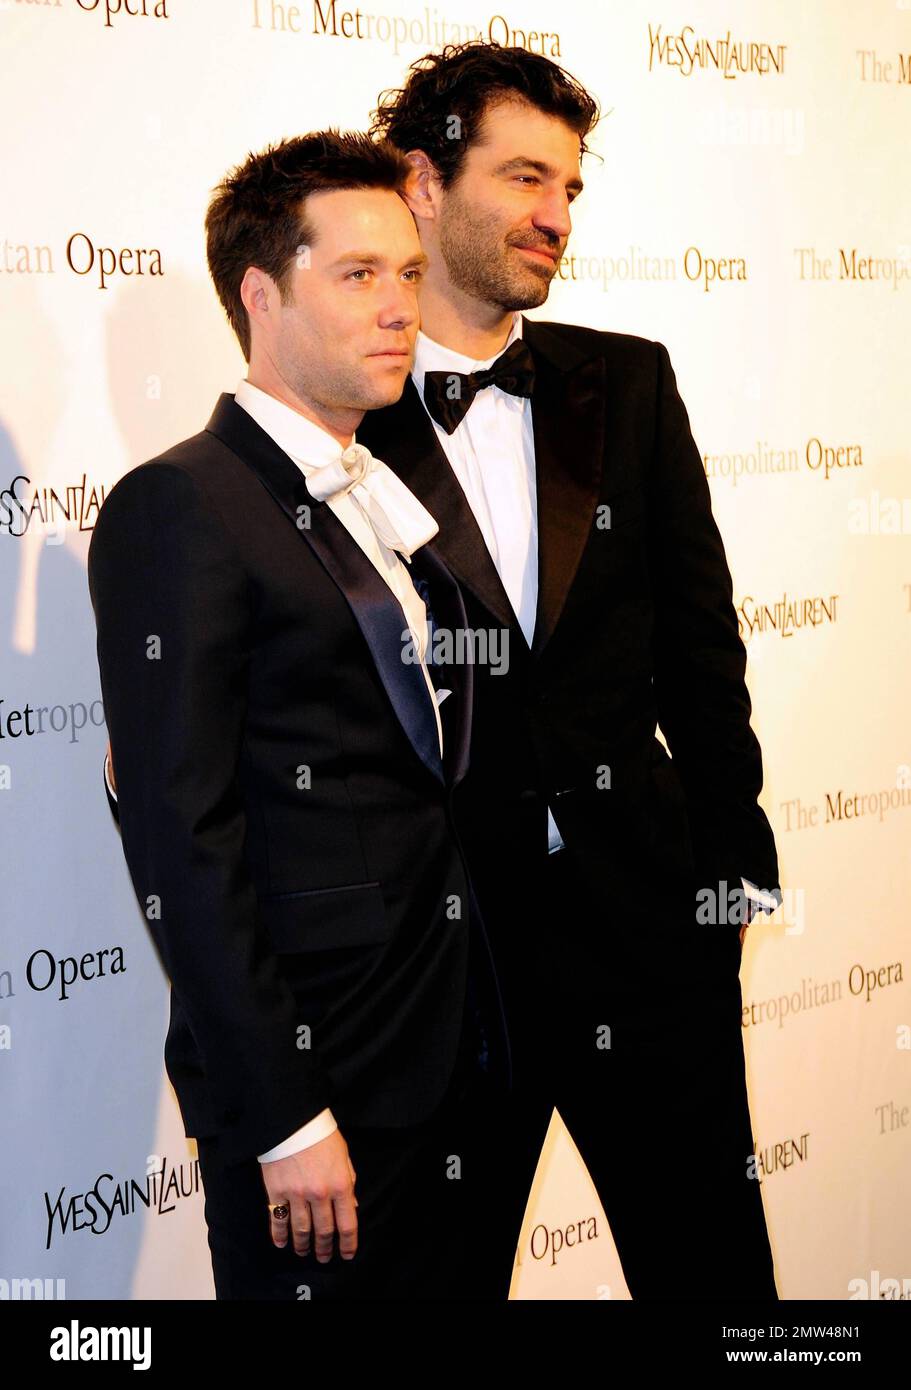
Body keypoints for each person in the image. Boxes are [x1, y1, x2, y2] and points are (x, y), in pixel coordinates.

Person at [359, 41, 784, 1299]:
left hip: (647, 934)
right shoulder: (339, 415)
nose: (555, 216)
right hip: (447, 964)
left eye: (571, 190)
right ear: (421, 183)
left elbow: (701, 650)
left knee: (717, 1281)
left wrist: (726, 880)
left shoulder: (627, 381)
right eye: (524, 177)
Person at [88, 131, 510, 1301]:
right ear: (260, 294)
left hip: (447, 1048)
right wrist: (281, 1114)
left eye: (408, 274)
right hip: (319, 1084)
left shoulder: (377, 490)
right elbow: (184, 834)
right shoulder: (181, 503)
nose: (398, 307)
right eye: (358, 275)